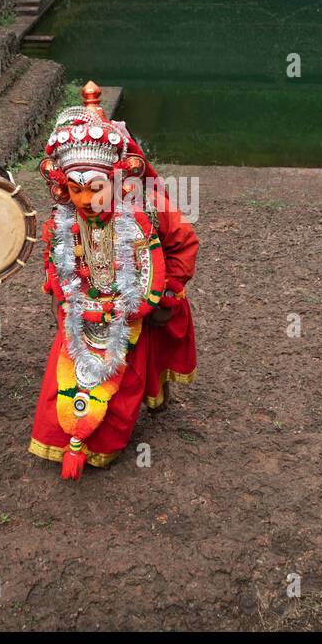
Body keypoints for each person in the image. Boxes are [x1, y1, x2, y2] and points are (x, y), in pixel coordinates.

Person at [28, 82, 199, 479]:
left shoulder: (149, 207)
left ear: (118, 178)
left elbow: (184, 247)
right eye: (75, 190)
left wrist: (163, 294)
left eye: (95, 189)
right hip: (82, 307)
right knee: (63, 376)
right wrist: (60, 295)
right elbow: (55, 263)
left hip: (135, 306)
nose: (85, 201)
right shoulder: (65, 216)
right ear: (62, 186)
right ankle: (66, 440)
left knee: (128, 381)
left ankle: (107, 438)